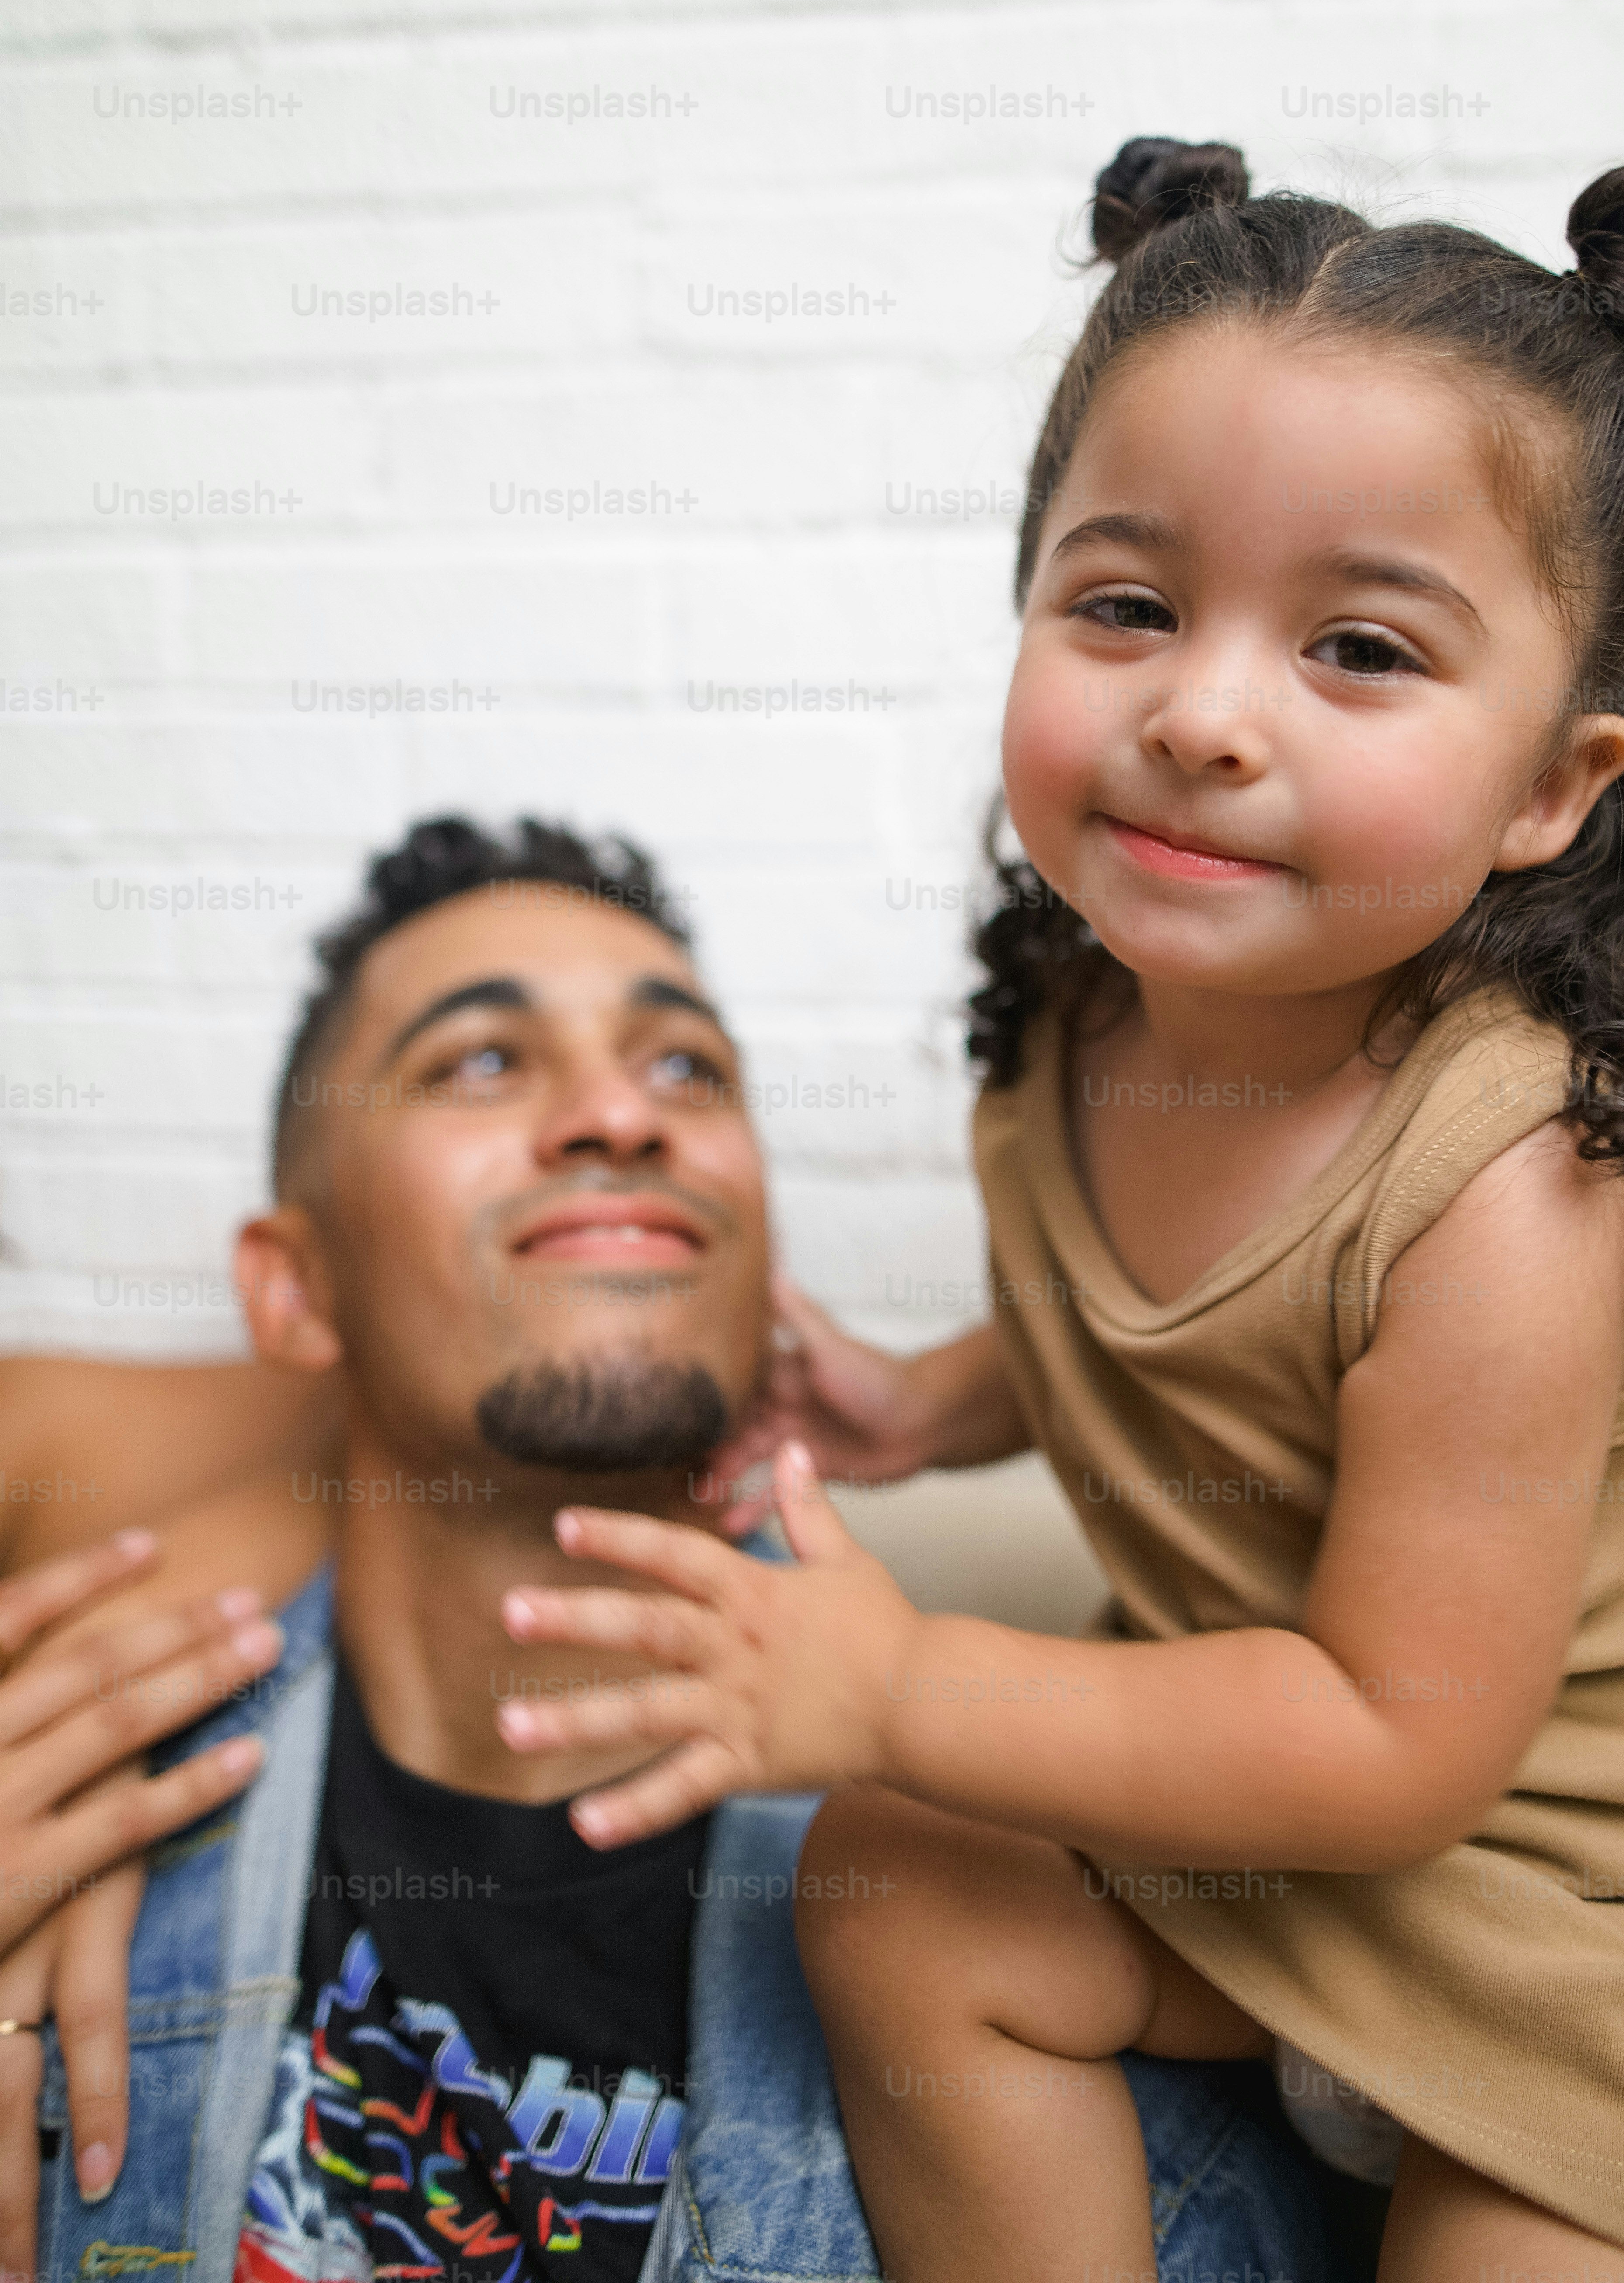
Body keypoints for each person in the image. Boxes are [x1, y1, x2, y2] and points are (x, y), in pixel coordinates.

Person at [485, 149, 1624, 2283]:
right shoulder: (1072, 1019)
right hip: (1246, 1853)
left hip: (1583, 1924)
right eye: (1128, 606)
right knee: (893, 1883)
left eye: (1357, 646)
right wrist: (928, 1405)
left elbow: (1387, 1738)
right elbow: (1194, 1342)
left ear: (1553, 784)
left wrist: (900, 1686)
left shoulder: (1514, 1177)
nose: (1199, 712)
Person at [0, 815, 1337, 2282]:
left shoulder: (1047, 1950)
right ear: (295, 1286)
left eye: (685, 1068)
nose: (621, 1119)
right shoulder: (79, 1843)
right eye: (484, 1062)